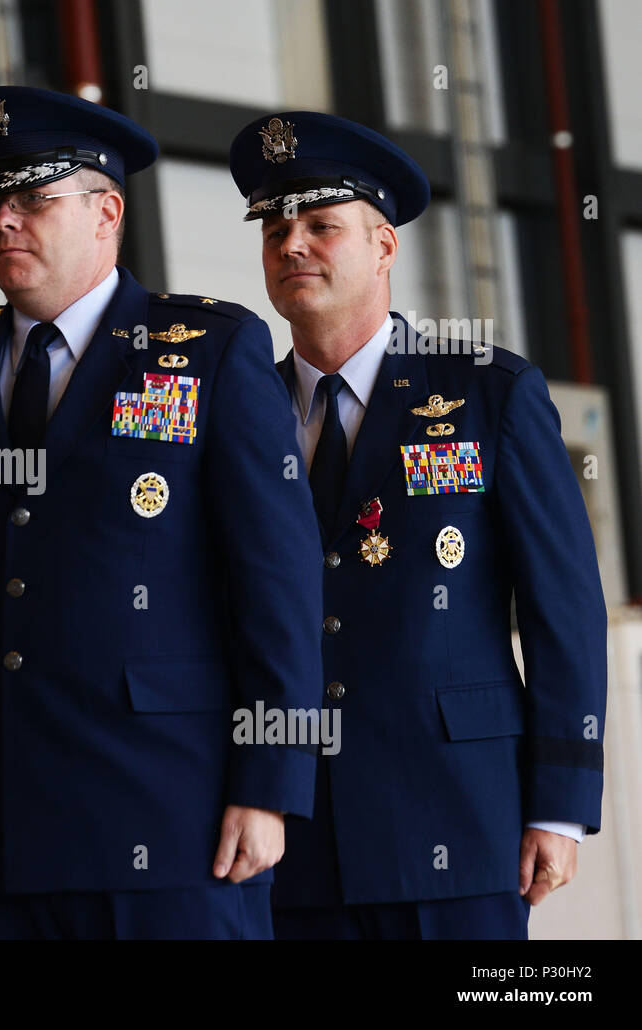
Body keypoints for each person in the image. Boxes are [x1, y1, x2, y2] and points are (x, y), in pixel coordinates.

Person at [0, 86, 325, 939]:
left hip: (163, 812)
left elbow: (277, 580)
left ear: (106, 213)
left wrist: (270, 783)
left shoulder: (209, 349)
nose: (5, 223)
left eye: (33, 200)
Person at [228, 110, 607, 939]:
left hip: (460, 819)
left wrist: (563, 805)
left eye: (322, 225)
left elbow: (565, 612)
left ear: (385, 247)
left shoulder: (488, 394)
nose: (292, 245)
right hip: (289, 835)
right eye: (276, 229)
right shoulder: (236, 410)